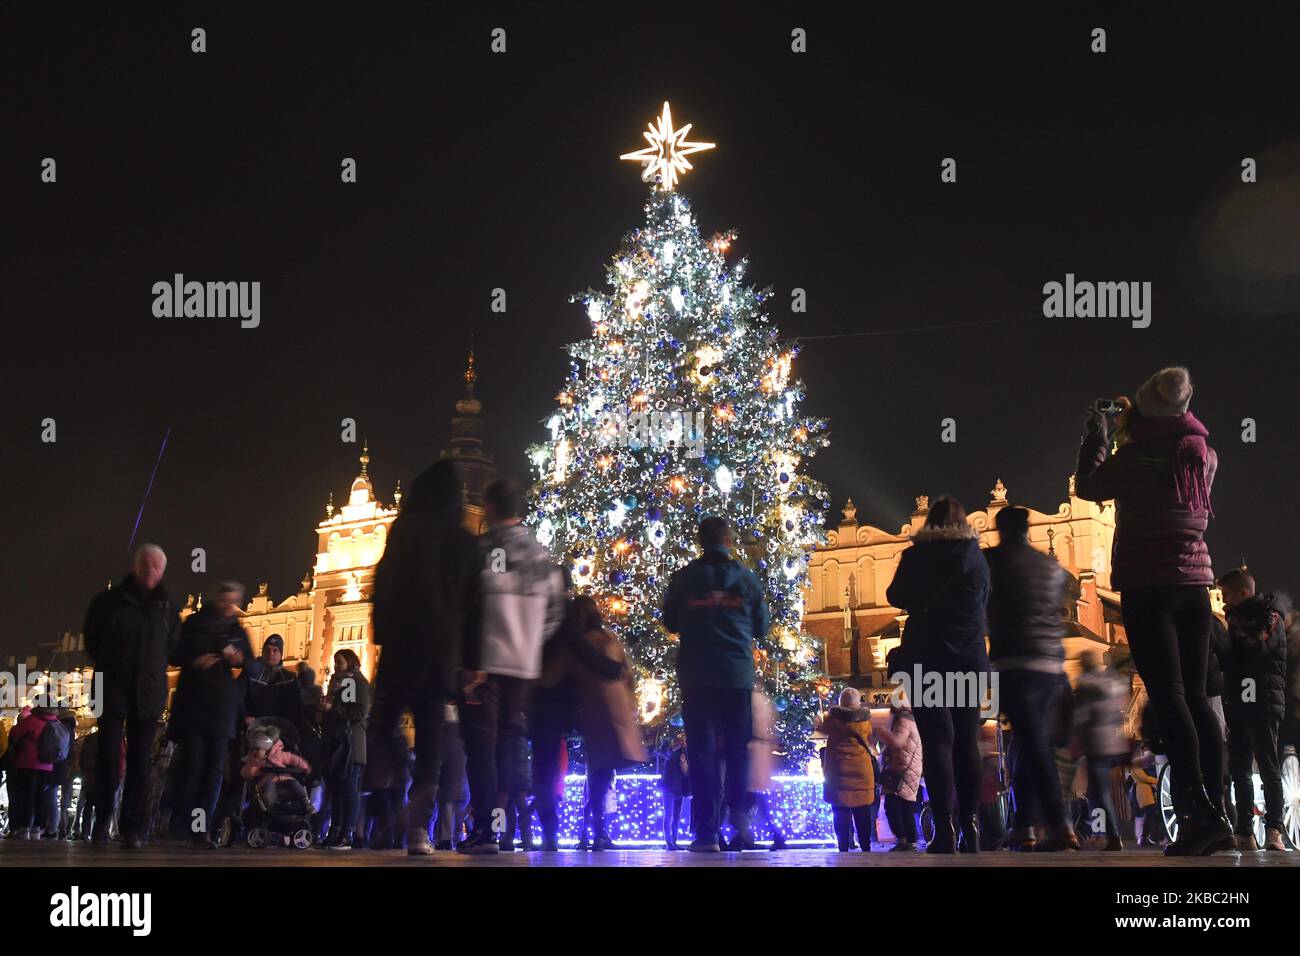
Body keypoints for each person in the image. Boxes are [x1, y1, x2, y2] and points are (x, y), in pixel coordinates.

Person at [1073, 367, 1232, 855]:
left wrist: (1099, 434)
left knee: (1169, 698)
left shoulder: (1132, 456)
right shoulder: (1202, 453)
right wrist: (1140, 418)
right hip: (1195, 588)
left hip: (1148, 586)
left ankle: (1196, 815)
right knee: (1199, 700)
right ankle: (1219, 811)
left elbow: (1088, 486)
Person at [365, 459, 483, 856]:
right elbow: (475, 603)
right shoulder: (464, 539)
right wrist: (471, 657)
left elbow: (383, 581)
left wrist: (381, 633)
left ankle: (387, 808)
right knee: (431, 740)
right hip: (440, 655)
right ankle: (417, 828)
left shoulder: (404, 528)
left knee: (383, 723)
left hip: (401, 646)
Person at [459, 477, 565, 855]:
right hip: (522, 662)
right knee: (509, 741)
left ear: (488, 508)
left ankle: (487, 830)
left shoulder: (483, 548)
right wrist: (530, 641)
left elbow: (466, 604)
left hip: (484, 663)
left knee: (481, 744)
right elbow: (555, 610)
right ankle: (504, 831)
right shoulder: (539, 554)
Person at [885, 495, 990, 853]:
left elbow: (894, 594)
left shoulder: (917, 556)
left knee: (937, 744)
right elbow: (985, 602)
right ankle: (971, 829)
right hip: (970, 661)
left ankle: (944, 830)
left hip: (928, 659)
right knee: (967, 744)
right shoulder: (978, 558)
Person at [663, 516, 771, 853]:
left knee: (702, 753)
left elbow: (670, 621)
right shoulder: (747, 579)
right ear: (729, 540)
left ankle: (706, 833)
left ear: (700, 541)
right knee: (738, 749)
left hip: (697, 676)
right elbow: (762, 627)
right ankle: (739, 810)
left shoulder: (684, 578)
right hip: (736, 675)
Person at [984, 505, 1078, 852]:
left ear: (1000, 530)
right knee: (1025, 741)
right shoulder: (1050, 565)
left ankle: (1060, 823)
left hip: (1017, 661)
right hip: (1052, 662)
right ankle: (1024, 824)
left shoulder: (993, 561)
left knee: (1033, 742)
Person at [83, 543, 182, 849]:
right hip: (111, 688)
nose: (152, 571)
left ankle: (132, 829)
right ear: (136, 567)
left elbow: (175, 649)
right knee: (108, 758)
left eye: (157, 566)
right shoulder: (108, 602)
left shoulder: (168, 608)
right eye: (147, 565)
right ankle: (102, 822)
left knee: (141, 763)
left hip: (148, 694)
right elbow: (92, 639)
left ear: (163, 570)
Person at [170, 581, 252, 848]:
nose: (229, 605)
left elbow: (248, 662)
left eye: (234, 601)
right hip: (194, 706)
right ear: (218, 600)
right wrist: (196, 659)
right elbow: (175, 652)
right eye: (226, 600)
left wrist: (238, 658)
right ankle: (184, 824)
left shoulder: (237, 631)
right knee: (193, 767)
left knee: (215, 772)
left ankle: (200, 830)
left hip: (223, 711)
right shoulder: (194, 624)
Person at [567, 595, 647, 850]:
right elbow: (628, 674)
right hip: (617, 710)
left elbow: (577, 677)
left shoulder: (584, 644)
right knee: (602, 776)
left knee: (598, 775)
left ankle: (593, 831)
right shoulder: (611, 640)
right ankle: (597, 832)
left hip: (596, 710)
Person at [1217, 568, 1289, 851]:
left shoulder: (1270, 615)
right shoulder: (1237, 620)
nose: (1224, 602)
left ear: (1243, 593)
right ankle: (1245, 831)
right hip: (1239, 701)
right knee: (1239, 769)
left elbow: (1256, 644)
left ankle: (1274, 829)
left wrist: (1230, 630)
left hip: (1264, 701)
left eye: (1227, 596)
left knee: (1269, 766)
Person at [1072, 648, 1129, 850]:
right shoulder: (1112, 680)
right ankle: (1102, 833)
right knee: (1095, 792)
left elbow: (1080, 716)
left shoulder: (1086, 684)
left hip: (1094, 743)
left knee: (1100, 793)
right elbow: (1120, 710)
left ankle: (1112, 835)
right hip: (1112, 742)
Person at [321, 649, 370, 849]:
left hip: (349, 744)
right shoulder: (340, 680)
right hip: (339, 742)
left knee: (347, 788)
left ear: (349, 662)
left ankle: (345, 833)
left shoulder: (351, 681)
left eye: (339, 662)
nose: (335, 666)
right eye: (334, 662)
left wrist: (332, 707)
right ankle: (336, 831)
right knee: (338, 789)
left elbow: (357, 712)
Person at [817, 687, 876, 852]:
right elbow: (870, 740)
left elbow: (821, 729)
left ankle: (843, 846)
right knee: (863, 811)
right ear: (858, 704)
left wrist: (818, 721)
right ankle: (866, 846)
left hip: (838, 771)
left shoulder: (832, 720)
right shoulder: (865, 722)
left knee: (840, 811)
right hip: (861, 771)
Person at [875, 700, 923, 851]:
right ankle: (909, 840)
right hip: (908, 767)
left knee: (893, 805)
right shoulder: (912, 721)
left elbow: (897, 742)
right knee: (905, 805)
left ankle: (905, 839)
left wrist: (880, 732)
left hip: (902, 770)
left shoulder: (903, 720)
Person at [7, 706, 61, 839]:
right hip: (47, 765)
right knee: (41, 797)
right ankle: (37, 829)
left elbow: (14, 732)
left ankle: (25, 828)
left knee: (27, 796)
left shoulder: (32, 720)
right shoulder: (57, 723)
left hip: (28, 763)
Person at [241, 727, 310, 810]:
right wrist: (254, 771)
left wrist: (304, 766)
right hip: (267, 784)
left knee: (294, 784)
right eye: (252, 750)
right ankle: (271, 807)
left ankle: (305, 802)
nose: (254, 752)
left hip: (285, 781)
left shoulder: (279, 755)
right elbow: (244, 771)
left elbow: (293, 759)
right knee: (268, 790)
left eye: (257, 749)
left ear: (266, 749)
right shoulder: (254, 761)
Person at [245, 635, 303, 728]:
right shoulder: (252, 674)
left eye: (275, 650)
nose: (270, 653)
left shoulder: (289, 678)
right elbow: (241, 699)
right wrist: (246, 715)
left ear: (281, 654)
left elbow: (295, 707)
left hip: (280, 730)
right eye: (267, 650)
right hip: (255, 728)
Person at [659, 732, 690, 850]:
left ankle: (674, 841)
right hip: (669, 786)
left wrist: (684, 761)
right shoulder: (670, 749)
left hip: (680, 788)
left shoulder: (685, 753)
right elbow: (665, 755)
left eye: (685, 741)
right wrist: (672, 748)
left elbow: (686, 772)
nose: (683, 743)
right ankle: (669, 842)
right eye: (682, 740)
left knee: (676, 815)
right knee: (669, 814)